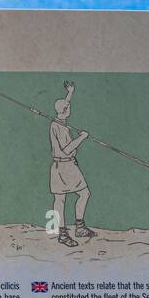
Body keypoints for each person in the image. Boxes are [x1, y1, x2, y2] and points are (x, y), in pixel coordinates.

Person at [49, 81, 95, 247]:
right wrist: (82, 137)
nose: (69, 107)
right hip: (63, 166)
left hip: (66, 166)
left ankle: (79, 228)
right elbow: (67, 149)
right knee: (63, 199)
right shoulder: (58, 127)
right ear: (65, 111)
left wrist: (71, 91)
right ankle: (62, 233)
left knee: (80, 194)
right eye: (67, 107)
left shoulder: (60, 121)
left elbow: (65, 104)